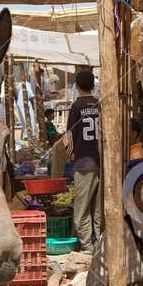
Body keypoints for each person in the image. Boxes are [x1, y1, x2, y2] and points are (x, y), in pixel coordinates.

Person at [63, 68, 102, 250]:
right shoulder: (99, 105)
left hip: (83, 163)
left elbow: (69, 136)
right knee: (97, 207)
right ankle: (99, 244)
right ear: (93, 86)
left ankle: (87, 246)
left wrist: (69, 153)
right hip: (101, 162)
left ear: (77, 87)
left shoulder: (76, 107)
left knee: (81, 209)